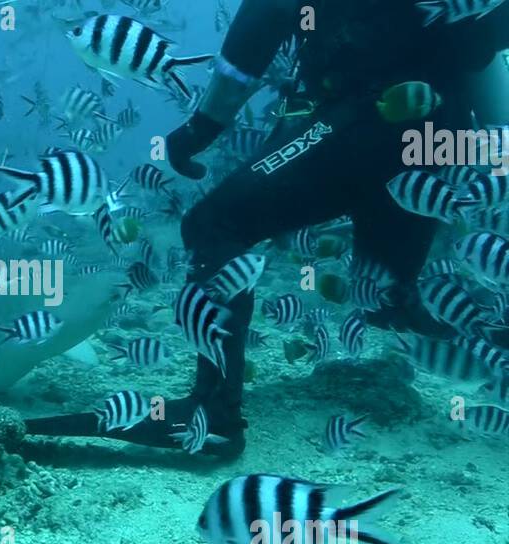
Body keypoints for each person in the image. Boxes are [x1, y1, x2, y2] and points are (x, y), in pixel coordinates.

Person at [25, 0, 509, 459]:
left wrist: (198, 132)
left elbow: (249, 49)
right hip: (441, 141)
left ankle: (212, 413)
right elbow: (483, 59)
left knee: (215, 224)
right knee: (383, 294)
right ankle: (469, 349)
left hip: (367, 117)